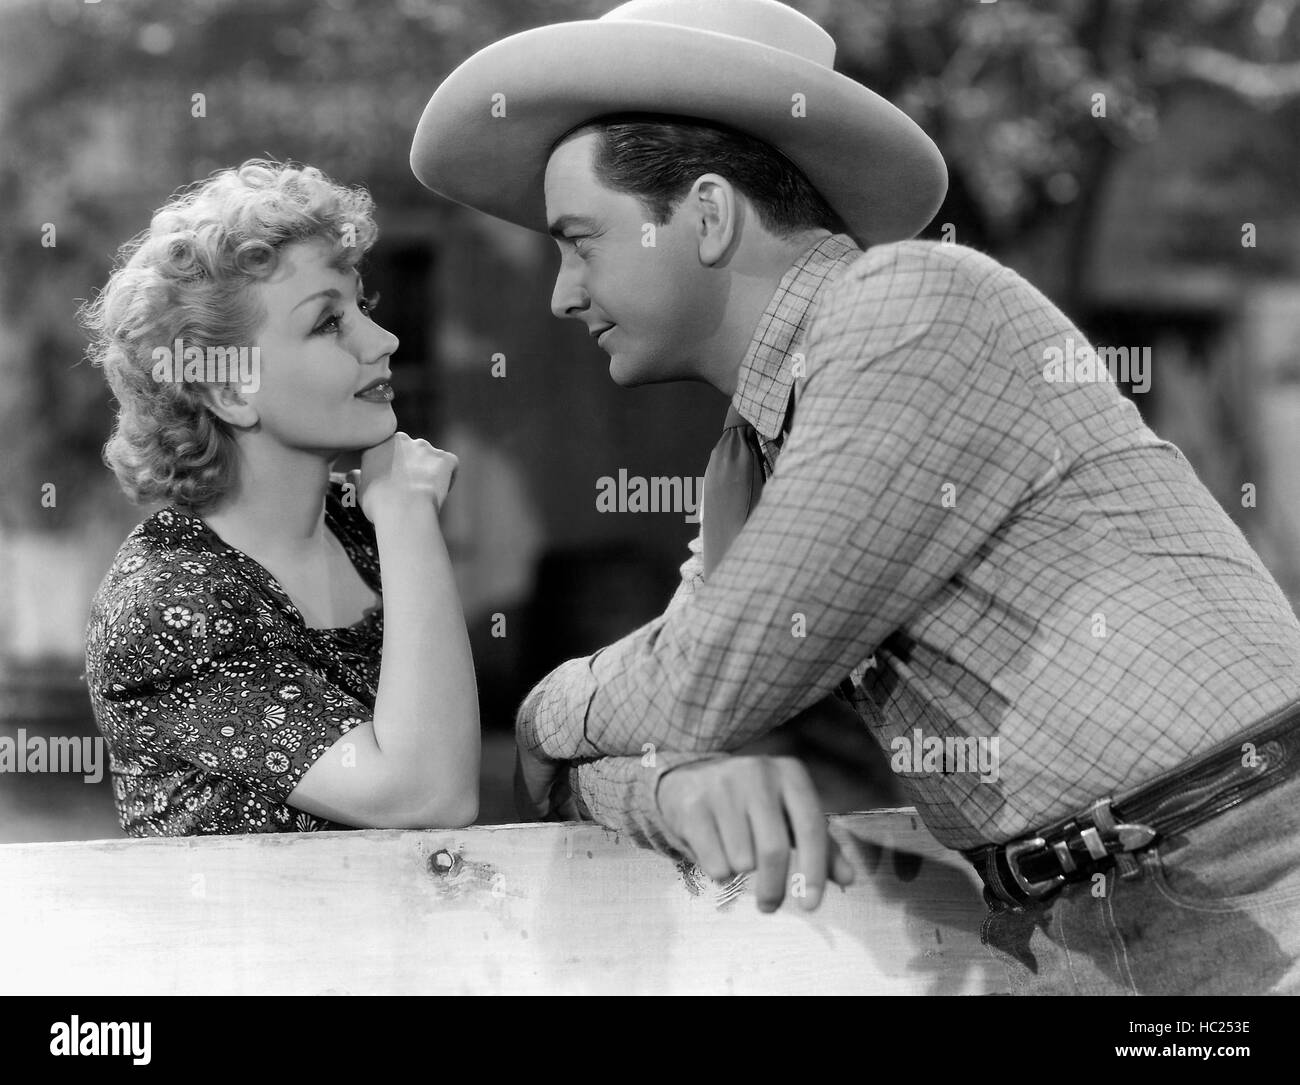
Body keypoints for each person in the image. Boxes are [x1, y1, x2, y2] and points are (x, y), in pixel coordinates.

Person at [410, 0, 1300, 993]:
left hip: (1247, 870)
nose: (562, 293)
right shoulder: (752, 453)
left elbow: (702, 685)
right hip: (1067, 922)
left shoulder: (905, 307)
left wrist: (546, 710)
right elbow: (687, 723)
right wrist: (662, 780)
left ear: (706, 216)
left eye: (582, 241)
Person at [82, 159, 480, 836]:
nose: (383, 342)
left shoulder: (363, 528)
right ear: (229, 389)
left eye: (363, 308)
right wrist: (411, 513)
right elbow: (427, 797)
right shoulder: (165, 608)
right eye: (328, 322)